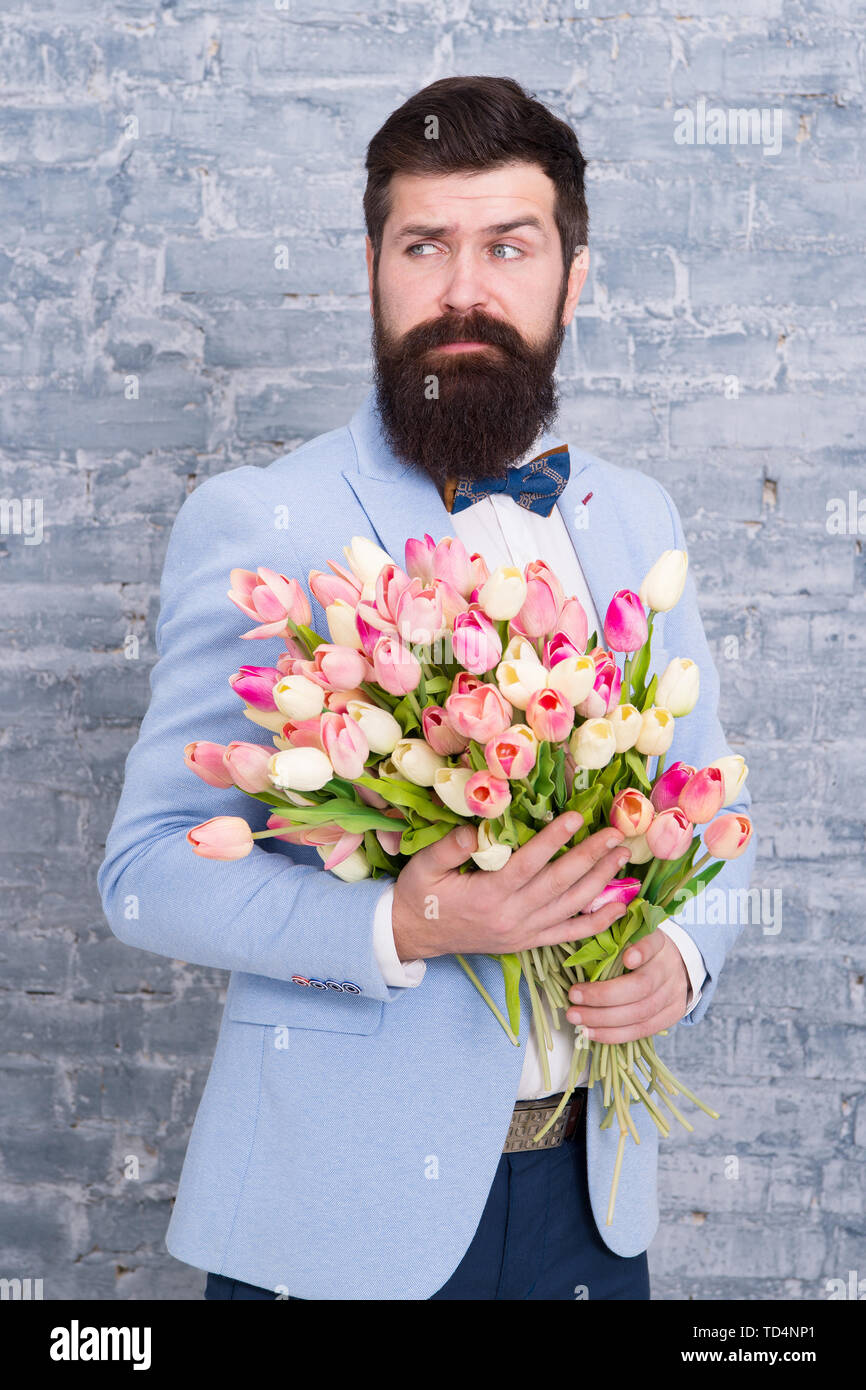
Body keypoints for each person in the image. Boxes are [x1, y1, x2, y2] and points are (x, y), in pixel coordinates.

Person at [97, 76, 757, 1301]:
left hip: (591, 1216)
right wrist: (402, 925)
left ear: (573, 275)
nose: (465, 288)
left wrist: (679, 952)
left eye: (509, 245)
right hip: (331, 1222)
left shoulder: (634, 517)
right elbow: (143, 874)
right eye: (424, 246)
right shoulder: (261, 522)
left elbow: (711, 812)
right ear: (371, 266)